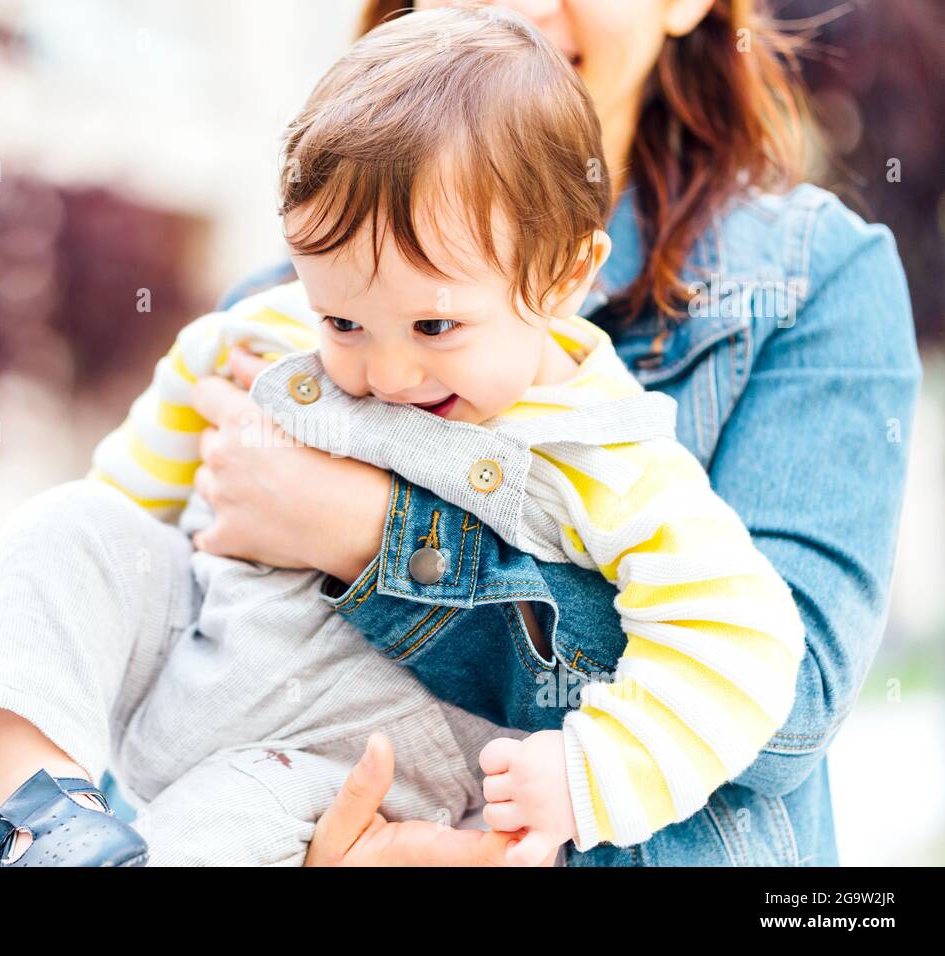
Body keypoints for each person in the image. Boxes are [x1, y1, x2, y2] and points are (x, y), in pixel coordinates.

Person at [0, 5, 811, 867]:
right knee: (62, 529)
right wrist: (97, 595)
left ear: (563, 278)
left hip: (316, 768)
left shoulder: (603, 451)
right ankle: (45, 813)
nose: (389, 373)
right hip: (193, 644)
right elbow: (171, 420)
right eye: (345, 322)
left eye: (436, 328)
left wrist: (591, 774)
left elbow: (744, 638)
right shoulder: (280, 327)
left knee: (203, 838)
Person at [184, 0, 919, 866]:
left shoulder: (803, 284)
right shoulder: (296, 307)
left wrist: (377, 540)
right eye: (347, 325)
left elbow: (785, 706)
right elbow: (177, 677)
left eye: (435, 327)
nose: (522, 7)